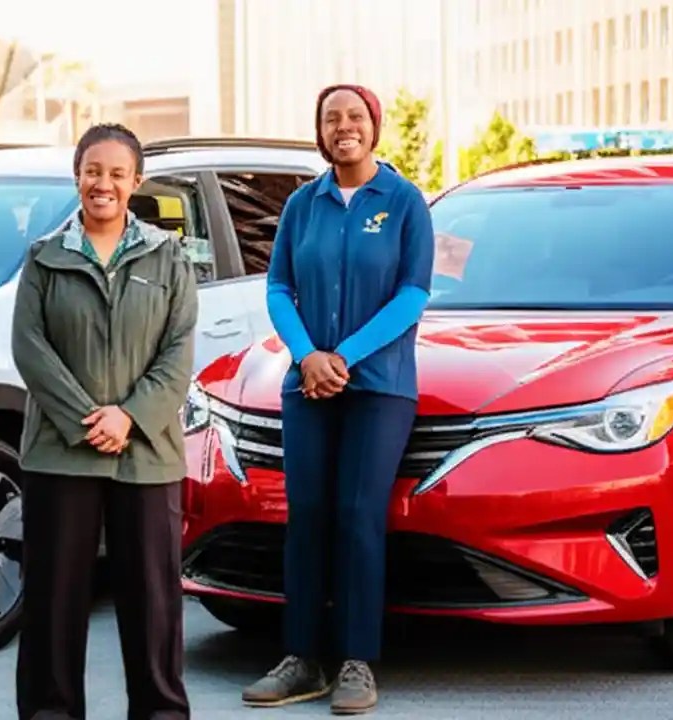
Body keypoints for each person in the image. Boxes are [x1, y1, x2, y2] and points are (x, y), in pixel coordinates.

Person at [240, 84, 434, 715]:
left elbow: (411, 295)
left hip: (378, 387)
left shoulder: (404, 203)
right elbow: (278, 288)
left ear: (373, 127)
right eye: (331, 119)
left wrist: (344, 357)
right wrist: (306, 357)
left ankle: (356, 661)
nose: (343, 126)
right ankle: (302, 659)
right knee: (309, 516)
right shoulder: (304, 204)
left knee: (356, 516)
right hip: (308, 385)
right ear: (320, 132)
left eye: (354, 117)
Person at [11, 123, 197, 720]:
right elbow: (30, 348)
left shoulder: (167, 257)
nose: (104, 184)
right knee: (55, 600)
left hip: (147, 455)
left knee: (153, 605)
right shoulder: (45, 257)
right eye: (94, 171)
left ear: (136, 182)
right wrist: (87, 421)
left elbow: (179, 350)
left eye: (118, 174)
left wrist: (131, 418)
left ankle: (161, 713)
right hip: (60, 453)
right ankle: (50, 711)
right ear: (77, 176)